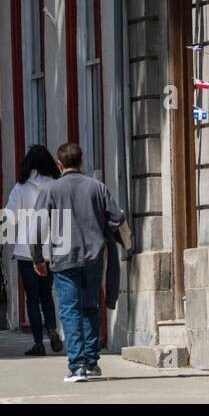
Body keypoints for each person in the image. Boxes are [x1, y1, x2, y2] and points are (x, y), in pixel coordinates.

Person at [31, 142, 125, 383]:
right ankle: (92, 361)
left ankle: (77, 365)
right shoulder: (98, 187)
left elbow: (38, 226)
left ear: (59, 164)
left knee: (70, 310)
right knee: (91, 306)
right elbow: (117, 219)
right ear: (81, 162)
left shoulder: (50, 191)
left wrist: (37, 257)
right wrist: (128, 244)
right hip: (93, 257)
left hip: (64, 259)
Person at [7, 145, 64, 356]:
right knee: (47, 294)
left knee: (31, 297)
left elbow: (10, 216)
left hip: (26, 249)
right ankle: (52, 328)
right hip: (51, 248)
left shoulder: (21, 187)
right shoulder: (57, 185)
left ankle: (38, 342)